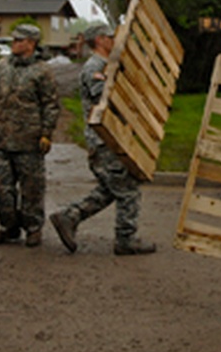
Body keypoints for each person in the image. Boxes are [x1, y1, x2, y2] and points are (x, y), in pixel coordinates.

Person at [49, 24, 156, 256]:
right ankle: (125, 240)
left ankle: (69, 216)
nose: (113, 40)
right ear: (99, 40)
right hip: (103, 139)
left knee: (111, 188)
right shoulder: (94, 68)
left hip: (109, 138)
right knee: (127, 189)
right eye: (110, 37)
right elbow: (105, 100)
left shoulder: (105, 65)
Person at [0, 24, 60, 247]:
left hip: (29, 141)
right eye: (13, 40)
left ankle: (33, 228)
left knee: (31, 188)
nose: (14, 43)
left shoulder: (42, 71)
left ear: (31, 44)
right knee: (2, 188)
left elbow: (51, 104)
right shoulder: (2, 67)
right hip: (3, 139)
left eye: (19, 40)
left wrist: (46, 133)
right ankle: (9, 227)